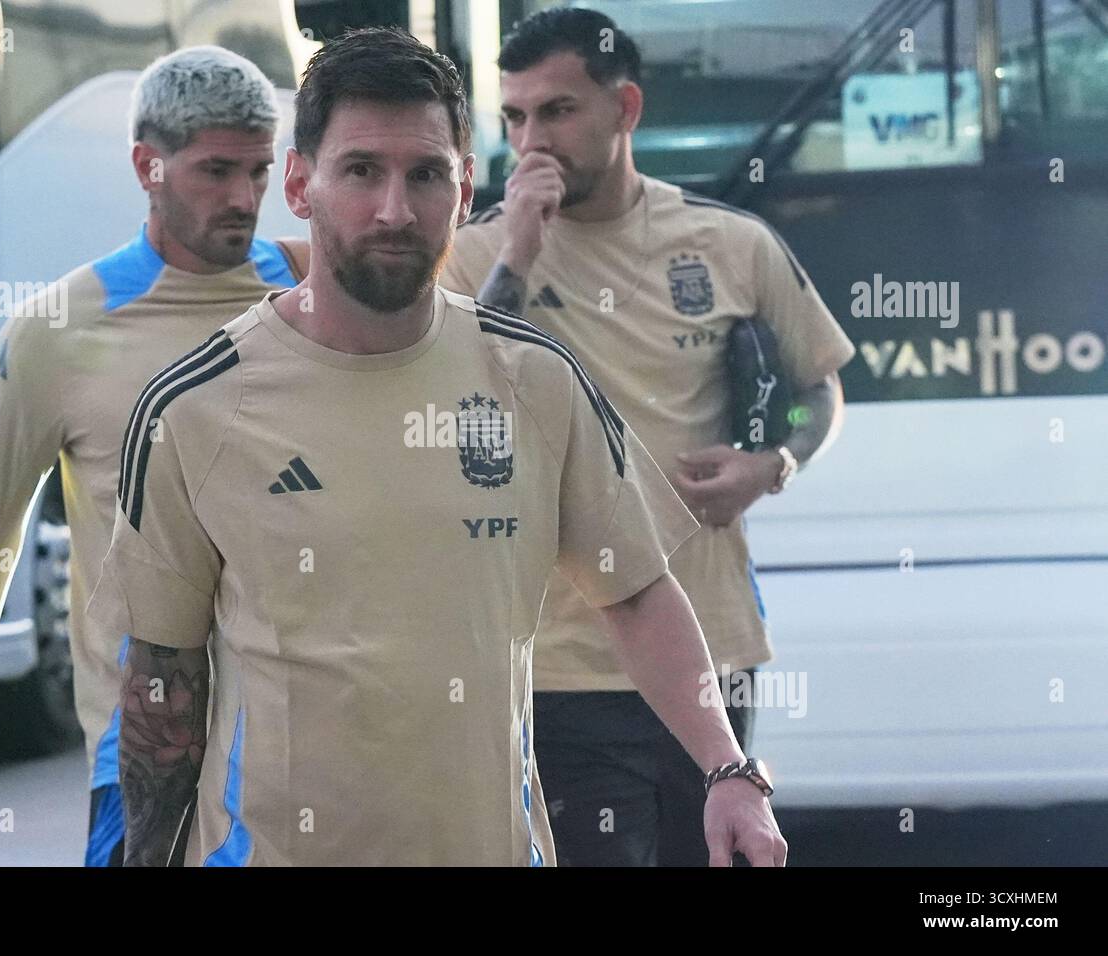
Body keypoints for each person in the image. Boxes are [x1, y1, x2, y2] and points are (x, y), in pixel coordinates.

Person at [86, 25, 787, 867]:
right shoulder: (192, 409)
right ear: (302, 186)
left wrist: (728, 767)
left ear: (462, 192)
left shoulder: (536, 379)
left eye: (425, 174)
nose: (394, 208)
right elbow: (163, 688)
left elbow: (637, 593)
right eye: (361, 171)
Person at [440, 8, 854, 866]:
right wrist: (516, 255)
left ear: (624, 108)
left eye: (557, 111)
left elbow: (820, 391)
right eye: (514, 117)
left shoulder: (730, 242)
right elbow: (460, 405)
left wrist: (772, 462)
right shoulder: (475, 255)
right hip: (558, 662)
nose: (531, 140)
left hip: (711, 650)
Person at [0, 46, 307, 866]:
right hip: (144, 753)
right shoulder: (57, 332)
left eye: (259, 172)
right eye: (215, 171)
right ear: (146, 167)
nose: (243, 199)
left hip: (304, 742)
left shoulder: (307, 295)